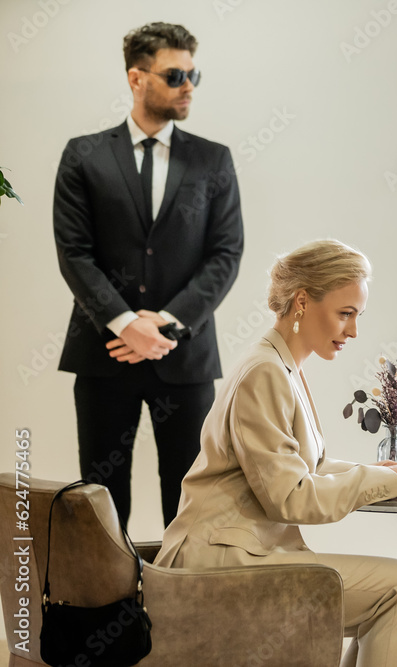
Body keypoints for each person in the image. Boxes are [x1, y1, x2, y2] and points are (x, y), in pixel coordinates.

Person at [155, 239, 397, 666]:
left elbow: (307, 466)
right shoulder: (265, 372)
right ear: (302, 302)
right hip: (221, 563)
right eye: (345, 313)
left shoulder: (282, 365)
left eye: (357, 316)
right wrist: (381, 480)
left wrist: (378, 472)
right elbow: (290, 497)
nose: (353, 331)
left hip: (240, 554)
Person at [53, 22, 244, 527]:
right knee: (100, 501)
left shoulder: (213, 160)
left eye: (193, 75)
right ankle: (106, 586)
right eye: (175, 75)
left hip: (185, 356)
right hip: (104, 352)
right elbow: (74, 253)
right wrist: (124, 323)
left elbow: (226, 253)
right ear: (137, 78)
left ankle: (179, 586)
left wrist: (164, 324)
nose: (189, 86)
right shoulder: (84, 155)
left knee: (191, 502)